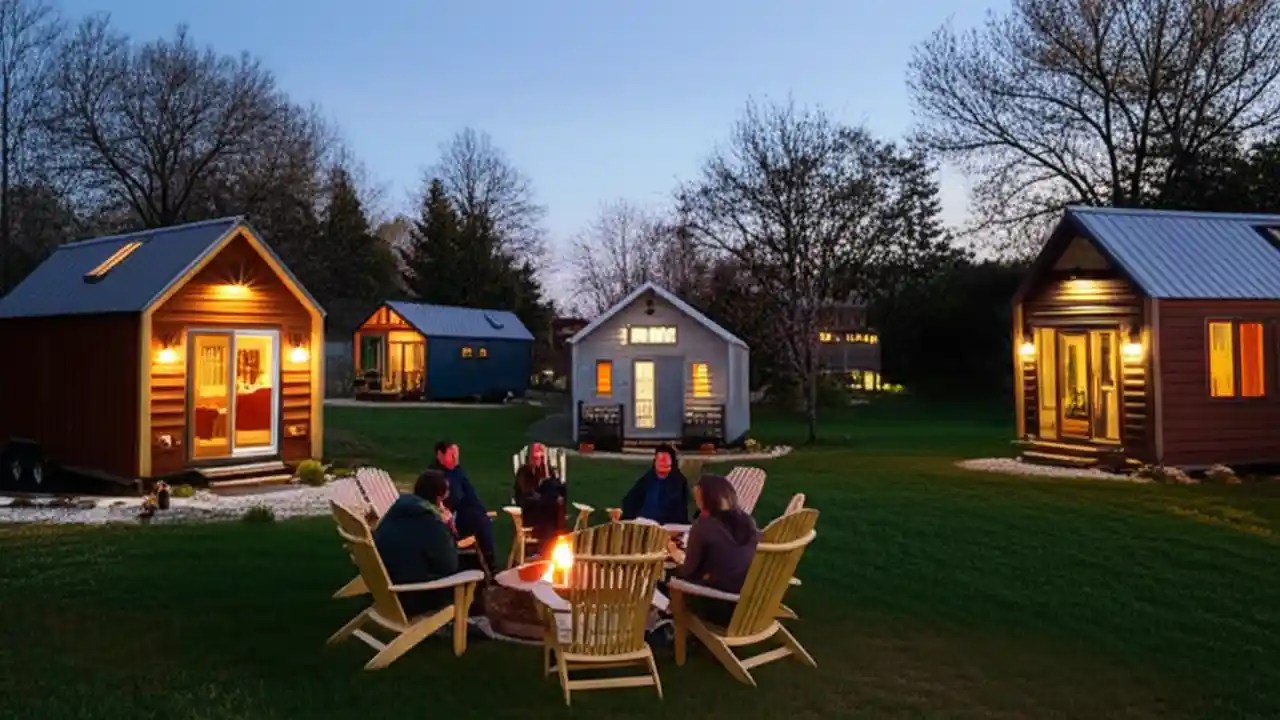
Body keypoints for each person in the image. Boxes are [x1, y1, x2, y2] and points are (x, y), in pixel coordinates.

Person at [668, 474, 760, 625]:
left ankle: (667, 624)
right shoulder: (747, 521)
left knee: (665, 577)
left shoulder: (704, 526)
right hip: (748, 603)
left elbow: (687, 571)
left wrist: (676, 554)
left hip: (719, 607)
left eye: (698, 500)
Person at [371, 469, 461, 617]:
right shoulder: (430, 522)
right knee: (470, 573)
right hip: (411, 595)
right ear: (439, 498)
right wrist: (446, 526)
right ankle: (465, 622)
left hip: (386, 583)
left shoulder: (398, 509)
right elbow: (450, 565)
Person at [431, 440, 497, 573]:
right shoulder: (435, 476)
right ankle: (490, 566)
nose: (455, 459)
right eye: (452, 455)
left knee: (479, 517)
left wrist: (480, 509)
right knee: (479, 520)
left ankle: (488, 566)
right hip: (449, 522)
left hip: (466, 515)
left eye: (457, 455)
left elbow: (470, 494)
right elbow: (445, 502)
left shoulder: (457, 471)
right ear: (440, 455)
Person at [618, 444, 689, 525]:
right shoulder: (647, 479)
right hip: (642, 524)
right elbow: (630, 501)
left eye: (665, 460)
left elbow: (680, 512)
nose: (662, 463)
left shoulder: (679, 482)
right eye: (659, 460)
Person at [512, 442, 567, 548]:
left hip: (547, 511)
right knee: (551, 507)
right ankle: (548, 550)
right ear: (529, 458)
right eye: (535, 457)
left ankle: (550, 550)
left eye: (541, 457)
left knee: (553, 492)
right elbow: (527, 495)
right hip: (530, 511)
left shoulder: (549, 472)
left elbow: (559, 491)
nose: (538, 460)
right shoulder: (524, 472)